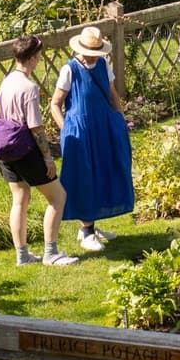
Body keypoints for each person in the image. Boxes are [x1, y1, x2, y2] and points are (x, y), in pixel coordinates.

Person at [50, 25, 134, 251]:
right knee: (84, 175)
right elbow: (55, 104)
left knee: (103, 171)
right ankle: (86, 230)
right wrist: (66, 129)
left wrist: (120, 120)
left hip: (103, 126)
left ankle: (90, 225)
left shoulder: (103, 65)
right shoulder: (70, 70)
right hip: (81, 128)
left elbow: (112, 94)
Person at [0, 35, 76, 266]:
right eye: (38, 56)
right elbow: (36, 128)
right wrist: (48, 158)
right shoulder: (29, 87)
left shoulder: (7, 80)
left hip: (6, 148)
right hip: (25, 149)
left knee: (20, 198)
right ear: (31, 58)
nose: (39, 59)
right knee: (58, 197)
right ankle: (51, 254)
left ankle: (23, 256)